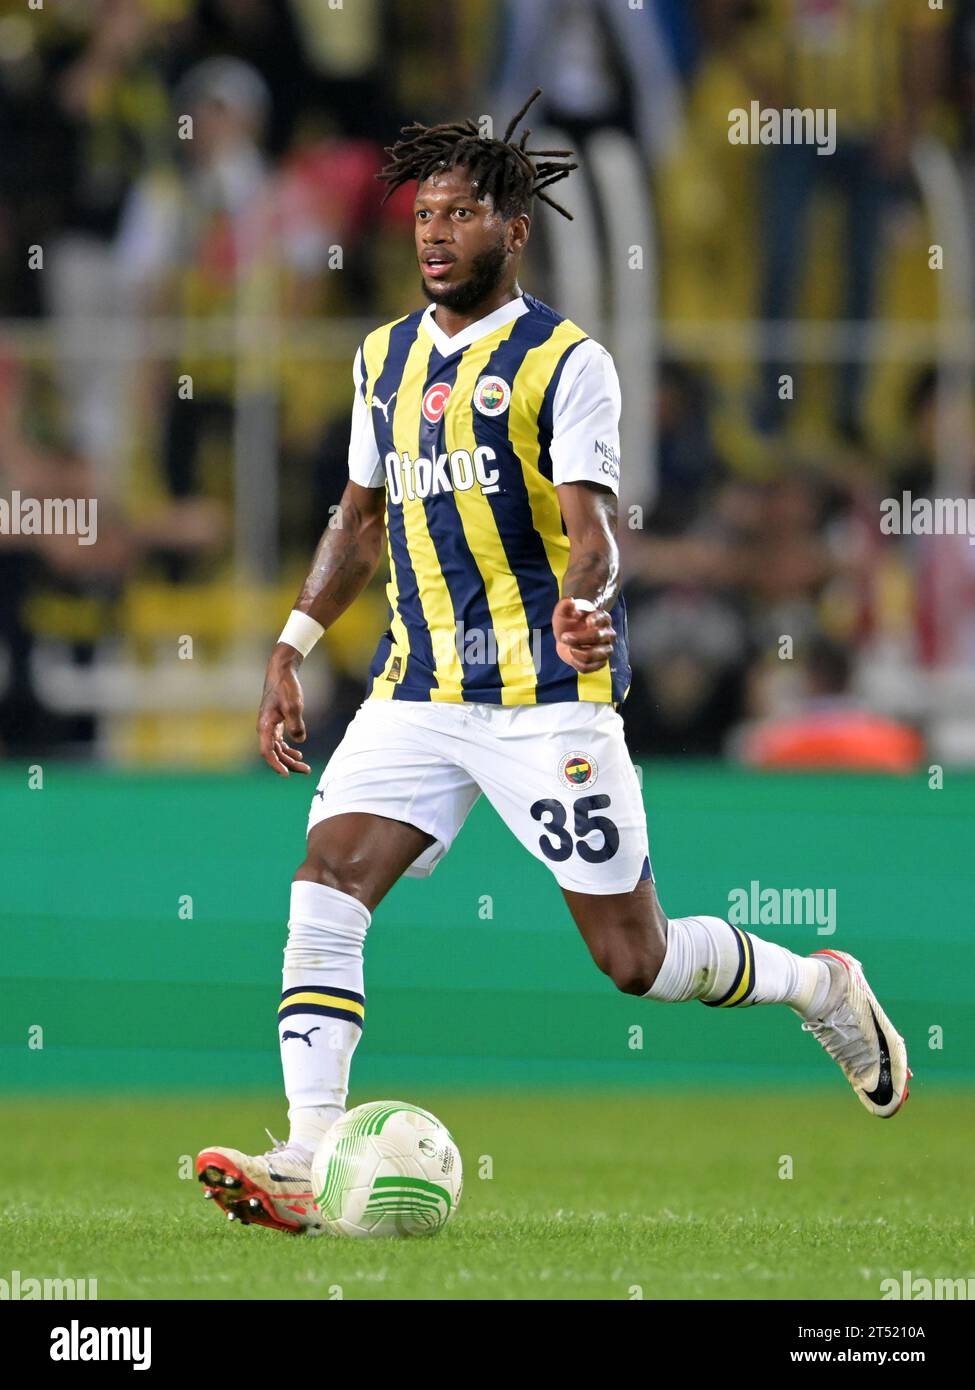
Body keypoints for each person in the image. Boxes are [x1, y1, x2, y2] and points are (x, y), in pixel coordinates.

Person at [196, 91, 909, 1236]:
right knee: (328, 877)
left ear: (512, 230)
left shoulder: (566, 363)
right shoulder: (381, 360)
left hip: (544, 699)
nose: (434, 233)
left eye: (462, 214)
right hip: (416, 687)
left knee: (635, 957)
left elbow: (596, 532)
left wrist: (586, 608)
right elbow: (359, 520)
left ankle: (820, 985)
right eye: (424, 213)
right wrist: (291, 640)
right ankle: (309, 1151)